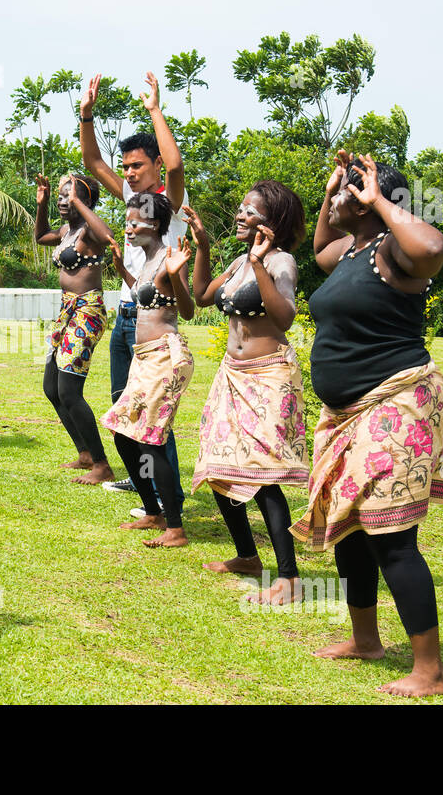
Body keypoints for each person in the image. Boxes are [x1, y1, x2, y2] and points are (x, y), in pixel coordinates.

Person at [294, 150, 443, 697]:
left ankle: (430, 672)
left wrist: (379, 198)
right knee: (350, 529)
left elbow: (434, 247)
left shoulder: (393, 250)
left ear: (369, 199)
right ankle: (365, 640)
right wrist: (331, 192)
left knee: (392, 538)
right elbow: (317, 250)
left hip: (396, 403)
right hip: (346, 414)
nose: (336, 195)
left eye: (344, 189)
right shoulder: (350, 251)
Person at [189, 184, 310, 604]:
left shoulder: (281, 262)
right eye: (240, 208)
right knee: (220, 467)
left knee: (263, 477)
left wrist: (260, 263)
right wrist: (202, 246)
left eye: (250, 211)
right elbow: (201, 297)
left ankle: (290, 576)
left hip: (269, 376)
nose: (240, 215)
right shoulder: (240, 260)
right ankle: (246, 556)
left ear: (272, 223)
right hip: (232, 375)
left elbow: (285, 317)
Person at [80, 71, 188, 514]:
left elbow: (177, 165)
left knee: (156, 414)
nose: (128, 173)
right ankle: (145, 481)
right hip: (127, 315)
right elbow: (93, 164)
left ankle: (167, 496)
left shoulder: (171, 202)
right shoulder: (130, 196)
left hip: (158, 321)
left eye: (137, 165)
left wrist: (155, 110)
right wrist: (87, 117)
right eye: (126, 167)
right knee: (124, 405)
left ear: (155, 165)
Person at [101, 192, 195, 547]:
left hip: (164, 358)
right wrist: (121, 271)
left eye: (135, 222)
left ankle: (175, 527)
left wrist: (176, 275)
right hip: (144, 357)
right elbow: (148, 296)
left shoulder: (171, 257)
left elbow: (185, 310)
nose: (128, 228)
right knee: (123, 431)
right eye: (127, 222)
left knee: (151, 440)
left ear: (155, 224)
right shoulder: (148, 258)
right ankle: (153, 511)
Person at [34, 172, 116, 484]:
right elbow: (42, 237)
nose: (61, 199)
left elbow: (108, 234)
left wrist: (81, 204)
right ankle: (84, 453)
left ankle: (101, 464)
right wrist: (41, 205)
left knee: (69, 391)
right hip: (67, 311)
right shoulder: (69, 230)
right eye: (59, 195)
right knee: (51, 388)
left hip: (87, 311)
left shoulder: (90, 233)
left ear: (84, 199)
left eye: (67, 194)